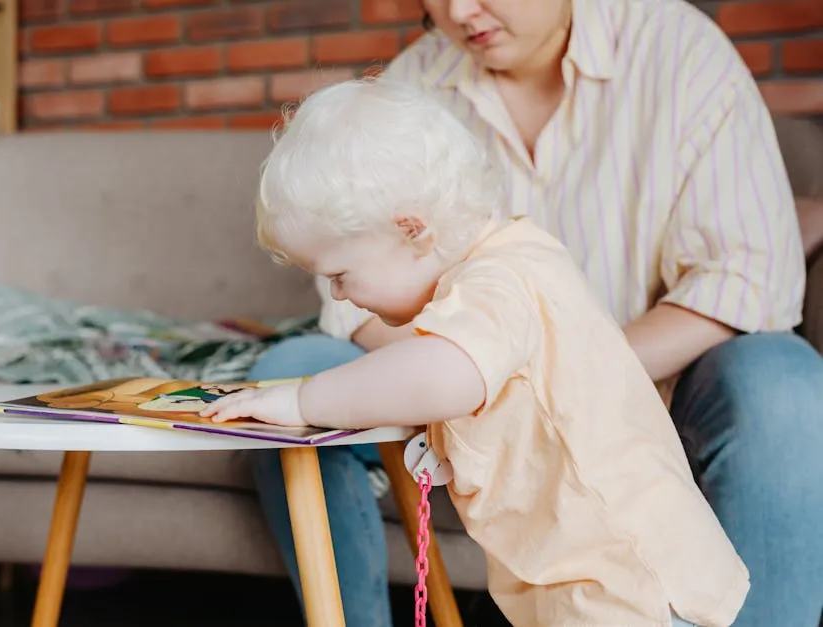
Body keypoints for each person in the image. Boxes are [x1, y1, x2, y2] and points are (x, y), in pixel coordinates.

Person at [245, 0, 823, 625]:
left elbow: (446, 374)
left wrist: (305, 403)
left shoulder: (498, 282)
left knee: (778, 375)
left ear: (414, 230)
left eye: (340, 277)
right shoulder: (494, 231)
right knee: (297, 361)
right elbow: (430, 361)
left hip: (623, 593)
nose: (461, 10)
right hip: (588, 587)